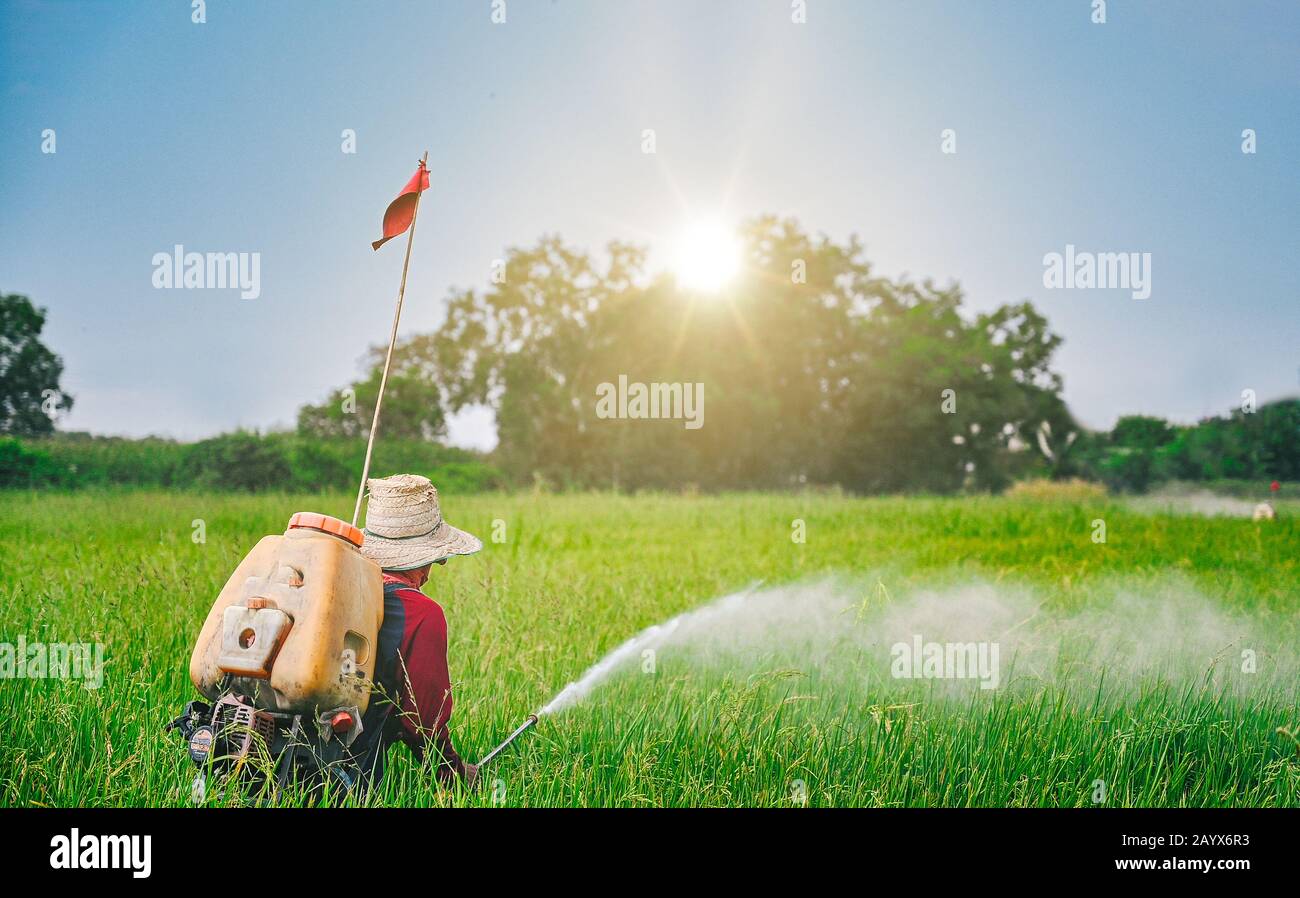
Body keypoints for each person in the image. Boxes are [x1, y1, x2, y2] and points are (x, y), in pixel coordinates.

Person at [349, 473, 483, 790]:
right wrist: (452, 773)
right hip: (339, 777)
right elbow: (424, 722)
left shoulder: (339, 589)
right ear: (420, 556)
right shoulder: (421, 612)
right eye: (436, 559)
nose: (438, 568)